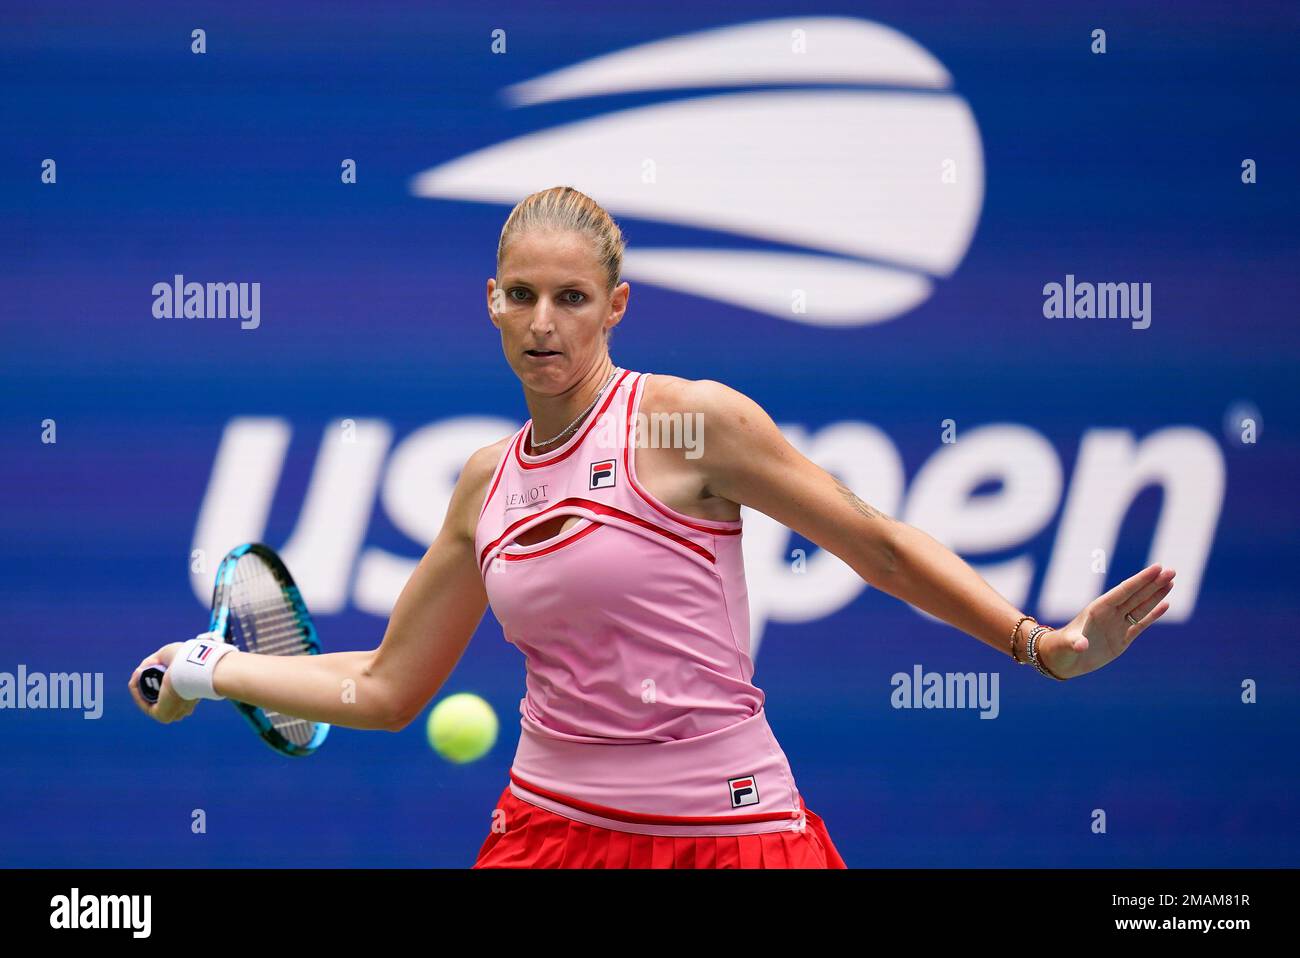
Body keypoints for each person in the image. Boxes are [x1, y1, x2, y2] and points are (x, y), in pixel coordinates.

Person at [130, 185, 1177, 869]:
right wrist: (208, 669)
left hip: (728, 830)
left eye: (573, 297)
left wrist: (1038, 645)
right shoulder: (483, 482)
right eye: (524, 296)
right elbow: (390, 686)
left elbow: (878, 542)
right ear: (489, 302)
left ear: (616, 306)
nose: (546, 323)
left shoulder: (686, 423)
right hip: (547, 832)